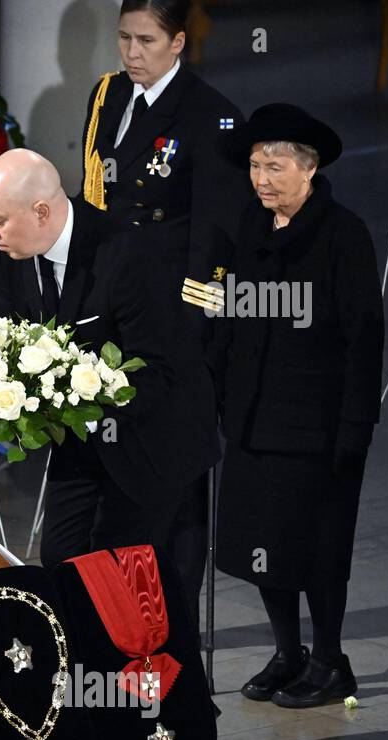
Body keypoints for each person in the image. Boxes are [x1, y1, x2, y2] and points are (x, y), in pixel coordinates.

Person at [79, 0, 251, 635]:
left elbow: (216, 238)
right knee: (116, 469)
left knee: (174, 478)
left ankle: (169, 632)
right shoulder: (106, 97)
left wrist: (195, 332)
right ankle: (117, 620)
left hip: (173, 325)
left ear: (178, 42)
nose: (131, 53)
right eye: (123, 38)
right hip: (110, 309)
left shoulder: (213, 117)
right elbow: (100, 199)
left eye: (146, 40)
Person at [209, 104, 384, 707]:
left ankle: (332, 661)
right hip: (256, 420)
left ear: (308, 170)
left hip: (318, 425)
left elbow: (364, 338)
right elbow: (232, 317)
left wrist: (355, 428)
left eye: (275, 166)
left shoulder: (343, 234)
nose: (261, 178)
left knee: (318, 549)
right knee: (264, 545)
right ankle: (289, 653)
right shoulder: (251, 229)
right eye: (255, 165)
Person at [0, 149, 218, 574]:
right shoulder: (14, 252)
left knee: (141, 581)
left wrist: (86, 410)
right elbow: (16, 340)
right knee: (62, 560)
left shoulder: (130, 253)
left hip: (154, 441)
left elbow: (160, 367)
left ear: (40, 212)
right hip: (80, 440)